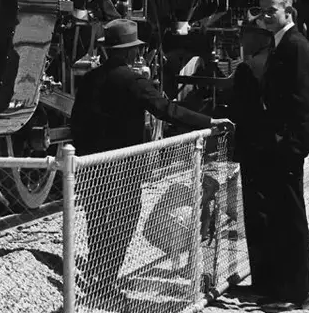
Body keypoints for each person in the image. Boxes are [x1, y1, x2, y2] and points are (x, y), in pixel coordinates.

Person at [70, 18, 233, 295]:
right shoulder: (134, 81)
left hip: (92, 164)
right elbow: (166, 110)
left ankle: (98, 270)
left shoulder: (89, 79)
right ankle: (107, 280)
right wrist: (208, 122)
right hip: (123, 165)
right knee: (124, 219)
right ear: (132, 52)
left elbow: (76, 121)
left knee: (97, 219)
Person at [254, 0, 309, 311]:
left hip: (288, 143)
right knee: (281, 215)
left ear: (288, 12)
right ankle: (283, 286)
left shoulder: (296, 45)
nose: (265, 17)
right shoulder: (281, 43)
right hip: (280, 141)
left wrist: (287, 140)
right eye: (262, 11)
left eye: (271, 11)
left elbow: (301, 98)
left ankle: (299, 292)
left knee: (292, 216)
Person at [226, 13, 275, 297]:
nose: (241, 38)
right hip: (272, 147)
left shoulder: (248, 69)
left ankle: (261, 280)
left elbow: (240, 109)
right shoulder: (274, 62)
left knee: (256, 215)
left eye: (245, 32)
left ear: (260, 37)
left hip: (254, 147)